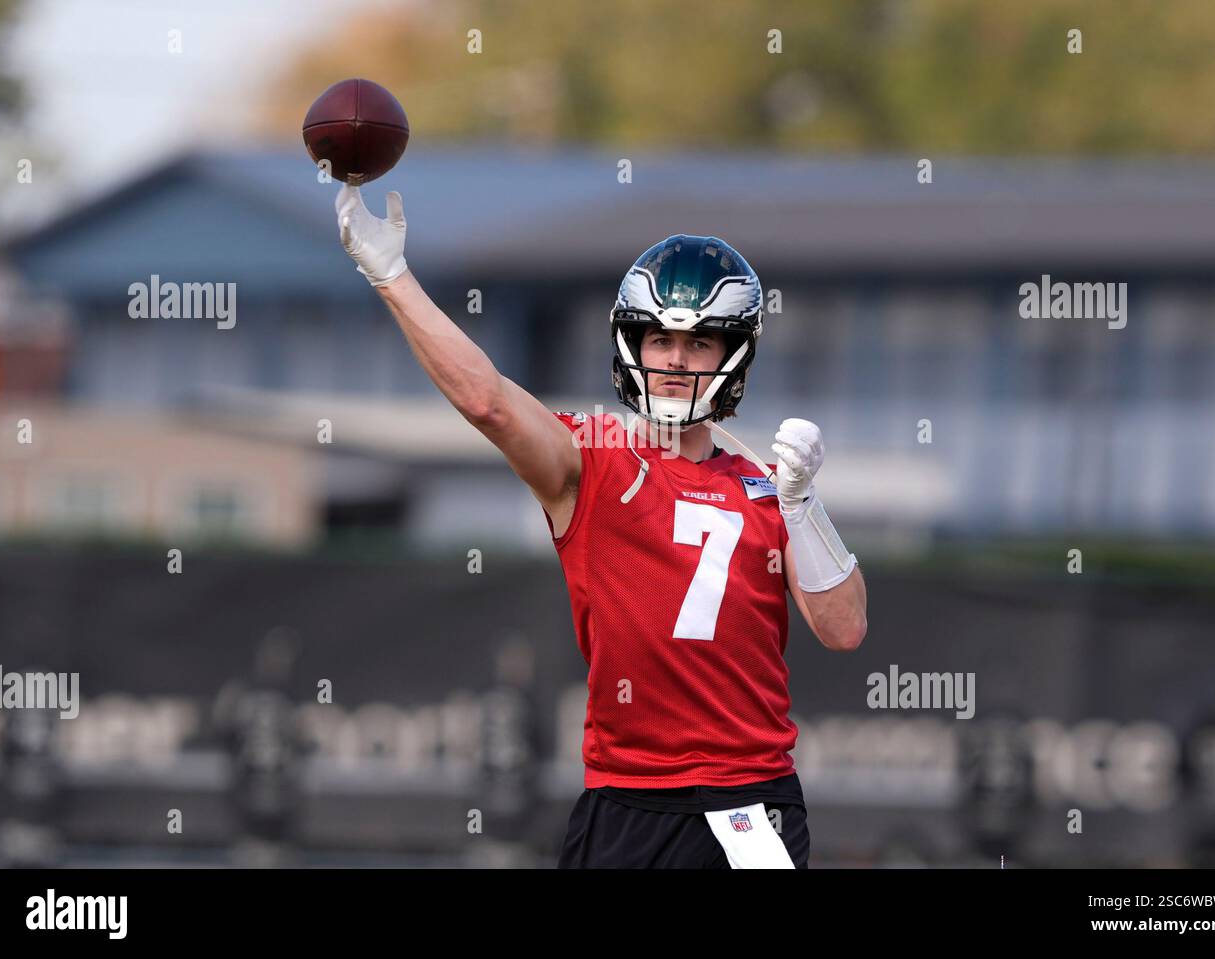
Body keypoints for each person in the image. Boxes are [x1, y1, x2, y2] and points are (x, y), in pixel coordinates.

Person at [336, 185, 868, 868]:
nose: (675, 359)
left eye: (698, 341)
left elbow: (844, 627)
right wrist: (392, 276)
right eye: (660, 337)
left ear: (732, 352)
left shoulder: (769, 486)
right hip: (626, 802)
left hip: (749, 809)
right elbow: (488, 402)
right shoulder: (589, 463)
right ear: (630, 342)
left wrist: (804, 504)